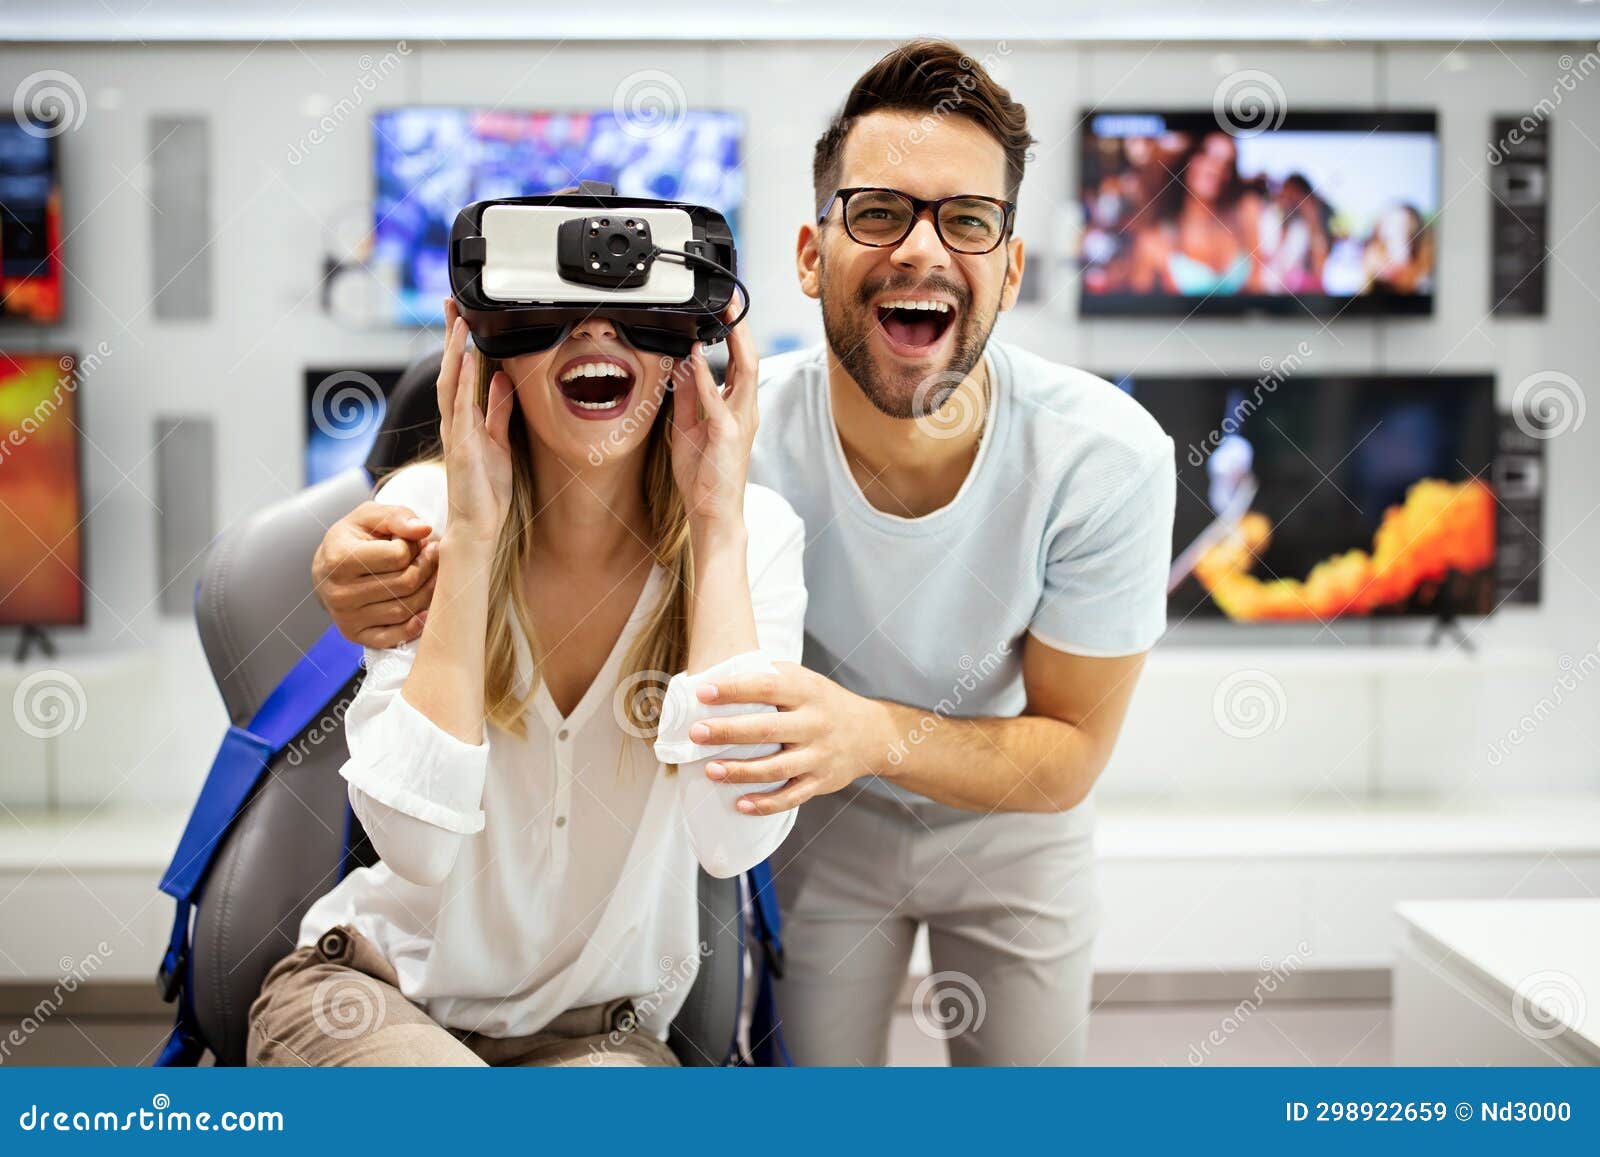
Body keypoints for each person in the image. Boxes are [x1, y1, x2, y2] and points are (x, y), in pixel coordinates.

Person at [310, 39, 1176, 1066]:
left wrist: (869, 732)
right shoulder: (712, 439)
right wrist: (348, 553)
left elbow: (1069, 749)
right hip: (815, 814)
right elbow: (517, 467)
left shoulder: (1101, 457)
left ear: (1011, 266)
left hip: (1005, 816)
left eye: (968, 220)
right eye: (878, 212)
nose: (922, 250)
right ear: (810, 255)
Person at [248, 300, 807, 1066]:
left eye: (634, 302)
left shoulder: (753, 533)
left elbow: (731, 839)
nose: (596, 328)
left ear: (688, 341)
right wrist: (472, 536)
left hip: (599, 1037)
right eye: (554, 301)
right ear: (490, 336)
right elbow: (417, 848)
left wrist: (716, 523)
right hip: (377, 993)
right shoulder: (426, 514)